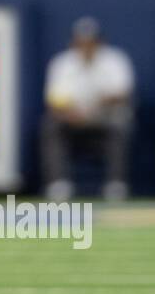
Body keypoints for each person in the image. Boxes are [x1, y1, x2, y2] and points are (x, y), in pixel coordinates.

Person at [41, 17, 135, 201]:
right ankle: (58, 184)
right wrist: (73, 114)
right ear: (74, 43)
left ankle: (116, 185)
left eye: (90, 42)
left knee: (120, 124)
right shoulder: (62, 63)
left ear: (99, 42)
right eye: (81, 42)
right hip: (73, 122)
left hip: (105, 119)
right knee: (50, 126)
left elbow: (123, 94)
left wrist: (97, 107)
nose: (86, 47)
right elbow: (54, 102)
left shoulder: (115, 60)